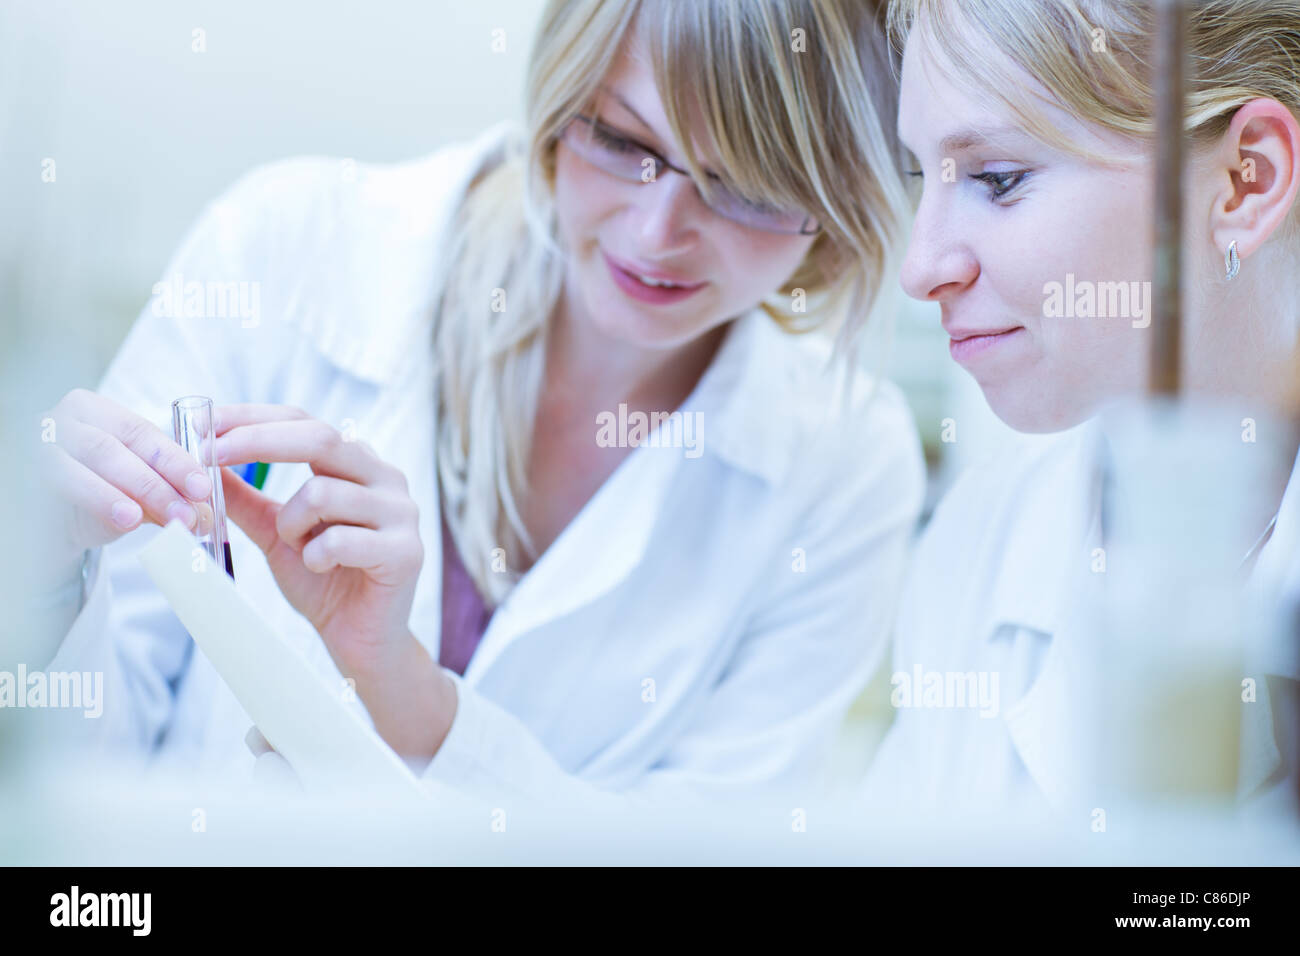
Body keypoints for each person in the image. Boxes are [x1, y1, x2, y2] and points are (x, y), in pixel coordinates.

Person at [34, 0, 924, 809]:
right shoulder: (284, 253)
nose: (657, 235)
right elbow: (71, 787)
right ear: (559, 92)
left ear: (842, 206)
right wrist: (40, 574)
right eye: (621, 140)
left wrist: (410, 699)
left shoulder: (846, 469)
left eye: (751, 190)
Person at [864, 0, 1300, 815]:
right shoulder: (982, 537)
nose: (919, 268)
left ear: (1249, 181)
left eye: (999, 180)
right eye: (923, 177)